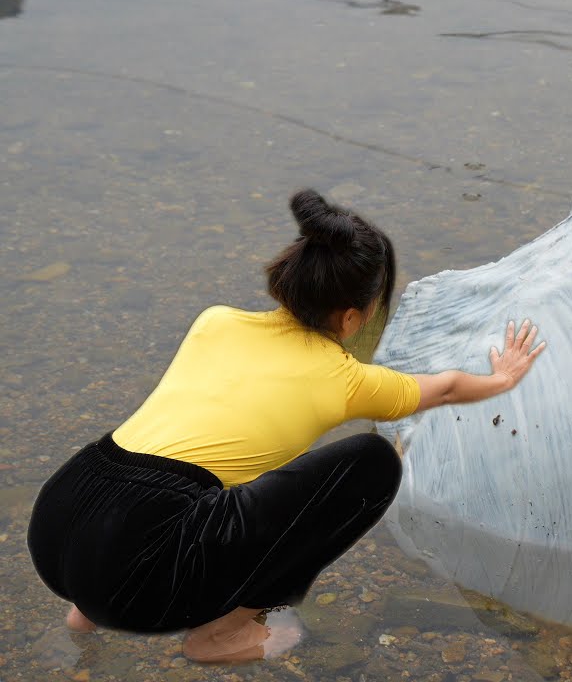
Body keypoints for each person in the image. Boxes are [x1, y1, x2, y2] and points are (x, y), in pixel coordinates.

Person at [26, 190, 545, 663]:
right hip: (138, 577)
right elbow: (449, 386)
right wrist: (502, 378)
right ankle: (220, 635)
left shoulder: (216, 321)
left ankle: (84, 615)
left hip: (58, 522)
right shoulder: (342, 379)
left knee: (188, 469)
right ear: (349, 318)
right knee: (372, 463)